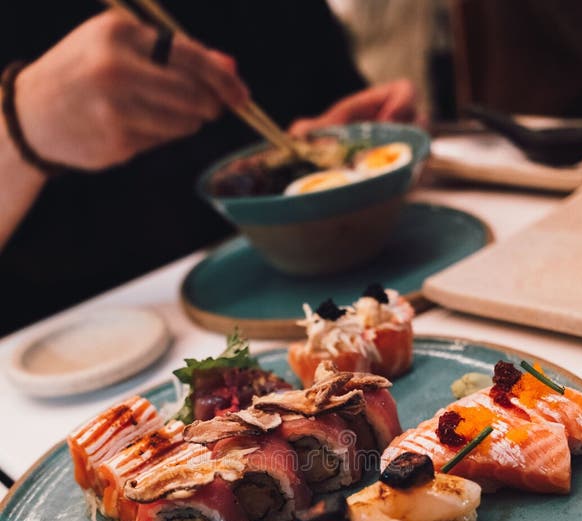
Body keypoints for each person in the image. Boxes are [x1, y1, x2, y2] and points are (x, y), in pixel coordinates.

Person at [0, 2, 417, 335]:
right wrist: (20, 123)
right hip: (70, 356)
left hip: (331, 291)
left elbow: (319, 106)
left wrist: (317, 155)